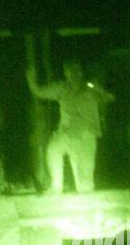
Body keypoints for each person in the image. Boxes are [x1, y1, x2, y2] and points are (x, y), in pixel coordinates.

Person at [26, 59, 114, 194]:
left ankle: (86, 195)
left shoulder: (89, 87)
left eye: (76, 70)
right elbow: (39, 92)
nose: (73, 73)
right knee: (53, 150)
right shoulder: (62, 88)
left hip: (85, 135)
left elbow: (109, 98)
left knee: (84, 181)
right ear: (66, 73)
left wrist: (98, 91)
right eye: (70, 70)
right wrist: (31, 80)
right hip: (66, 132)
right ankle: (56, 185)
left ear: (81, 72)